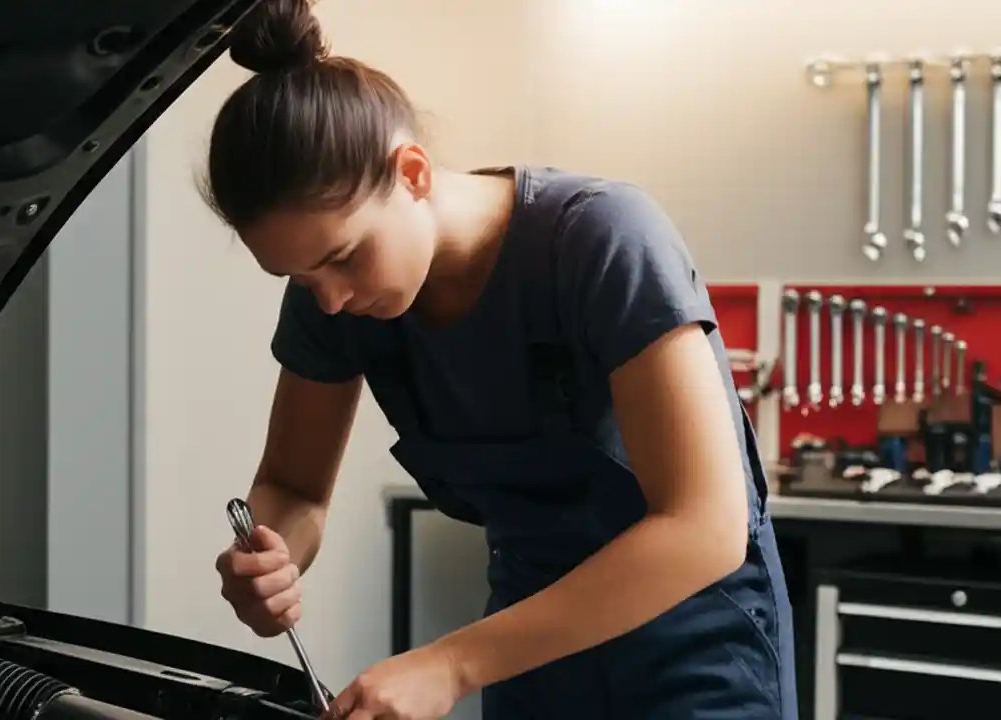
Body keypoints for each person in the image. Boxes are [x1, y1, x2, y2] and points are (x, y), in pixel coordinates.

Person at [206, 2, 798, 718]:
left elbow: (702, 528)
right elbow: (293, 489)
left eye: (342, 257)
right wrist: (273, 559)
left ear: (413, 173)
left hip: (696, 651)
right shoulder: (335, 298)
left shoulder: (600, 240)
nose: (327, 299)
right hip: (530, 649)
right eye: (299, 279)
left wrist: (452, 663)